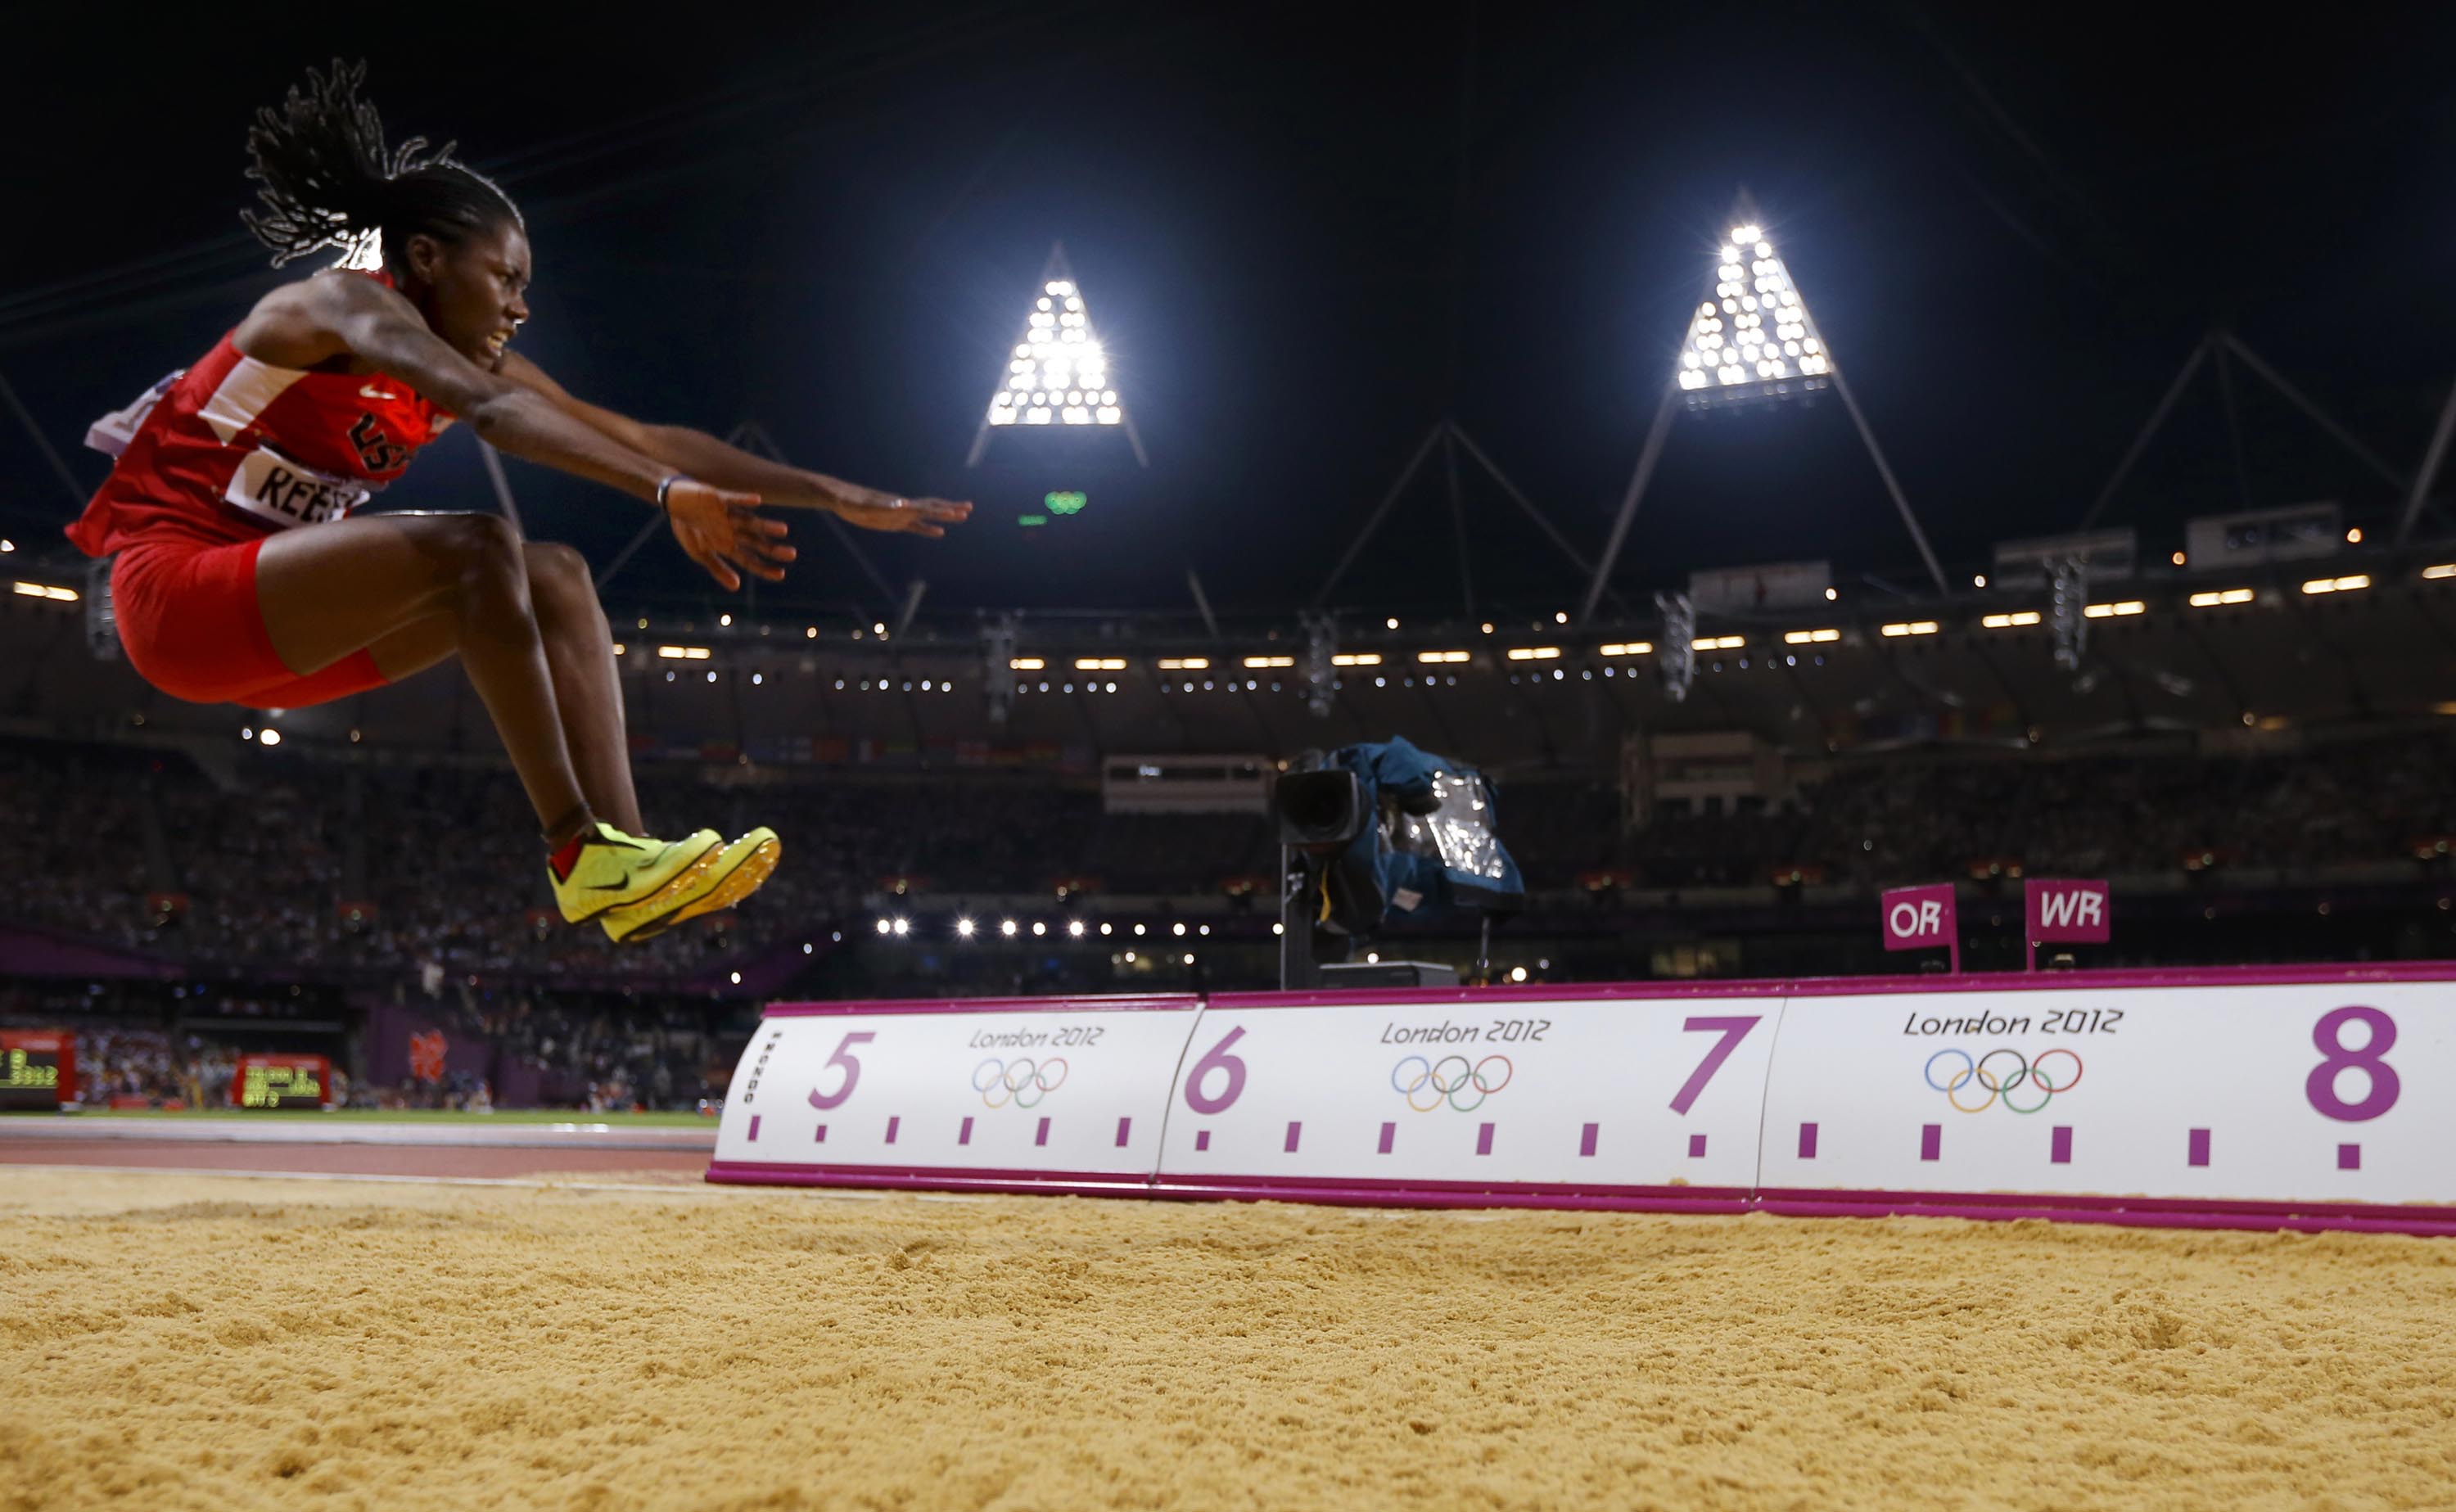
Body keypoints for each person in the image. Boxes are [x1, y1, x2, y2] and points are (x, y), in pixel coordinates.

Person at [63, 61, 970, 943]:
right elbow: (498, 414)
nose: (521, 307)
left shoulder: (469, 360)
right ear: (425, 257)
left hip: (283, 639)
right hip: (176, 600)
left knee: (559, 576)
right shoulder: (339, 305)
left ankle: (629, 863)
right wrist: (666, 493)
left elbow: (646, 437)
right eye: (505, 278)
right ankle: (576, 846)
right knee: (477, 546)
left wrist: (833, 493)